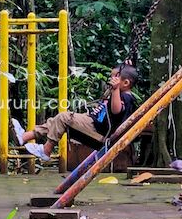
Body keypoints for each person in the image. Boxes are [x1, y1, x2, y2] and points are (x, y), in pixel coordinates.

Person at [12, 64, 141, 161]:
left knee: (63, 117)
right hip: (93, 123)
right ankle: (24, 137)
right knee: (55, 121)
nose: (111, 80)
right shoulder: (120, 91)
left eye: (114, 77)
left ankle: (46, 150)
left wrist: (116, 89)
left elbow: (116, 110)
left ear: (125, 83)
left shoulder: (126, 97)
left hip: (99, 133)